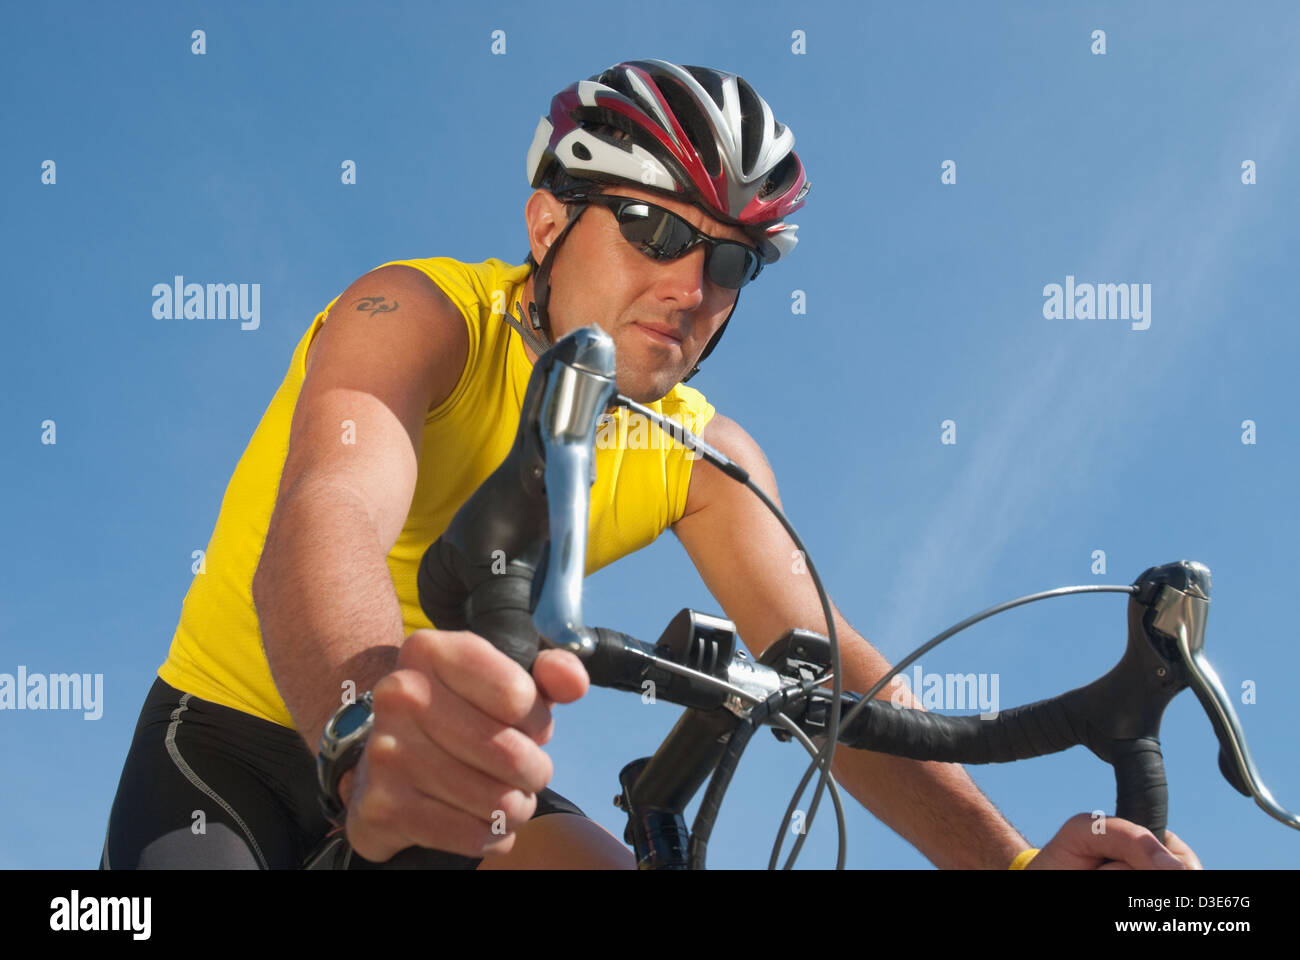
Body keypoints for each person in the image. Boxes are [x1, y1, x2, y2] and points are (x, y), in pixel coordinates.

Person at [100, 58, 1200, 870]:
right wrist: (359, 719)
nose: (693, 284)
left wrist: (1008, 867)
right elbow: (328, 516)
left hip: (466, 764)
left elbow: (831, 674)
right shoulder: (417, 311)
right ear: (546, 223)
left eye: (730, 259)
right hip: (238, 741)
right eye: (651, 230)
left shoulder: (701, 449)